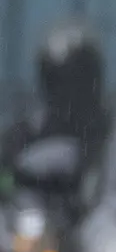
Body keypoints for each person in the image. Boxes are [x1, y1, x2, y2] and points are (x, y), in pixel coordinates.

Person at [2, 22, 110, 172]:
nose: (68, 91)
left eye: (79, 79)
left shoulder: (114, 137)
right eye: (57, 81)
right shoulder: (24, 136)